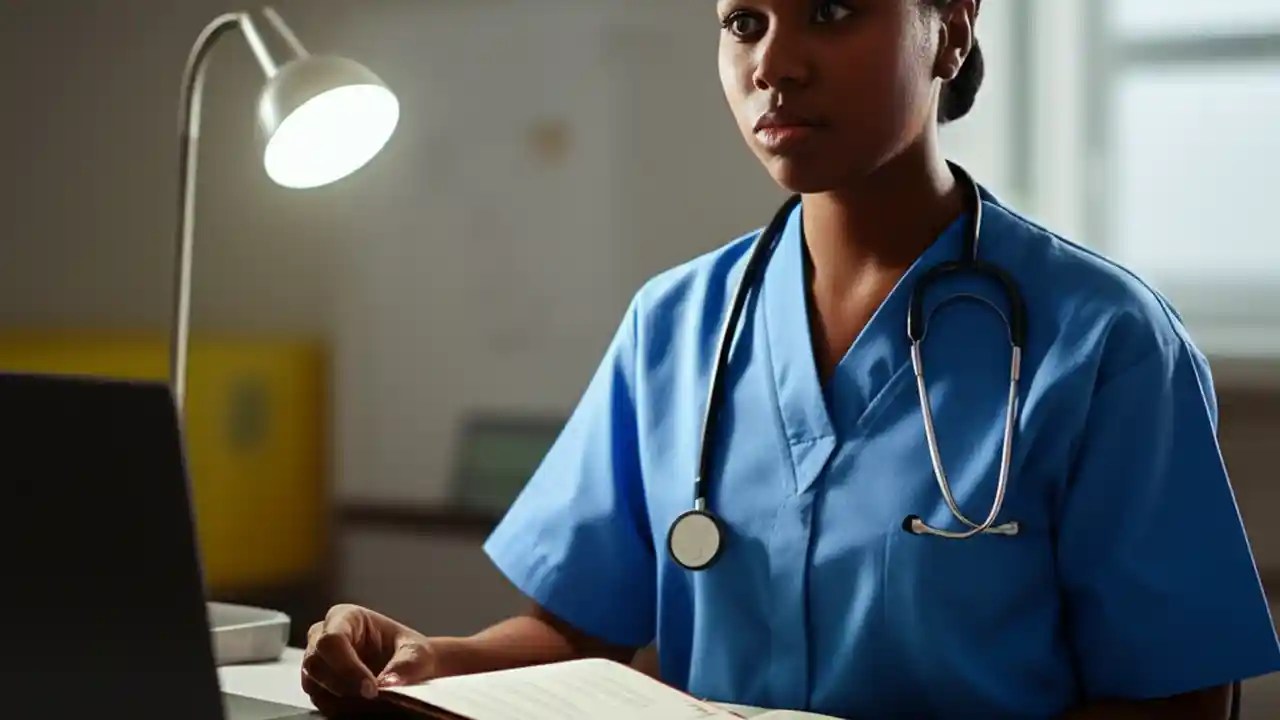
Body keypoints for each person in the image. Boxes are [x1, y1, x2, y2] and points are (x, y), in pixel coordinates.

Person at [301, 1, 1280, 717]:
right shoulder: (674, 323)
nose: (775, 63)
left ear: (949, 24)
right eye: (743, 22)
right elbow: (574, 634)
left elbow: (1179, 698)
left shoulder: (1102, 340)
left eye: (829, 12)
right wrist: (428, 658)